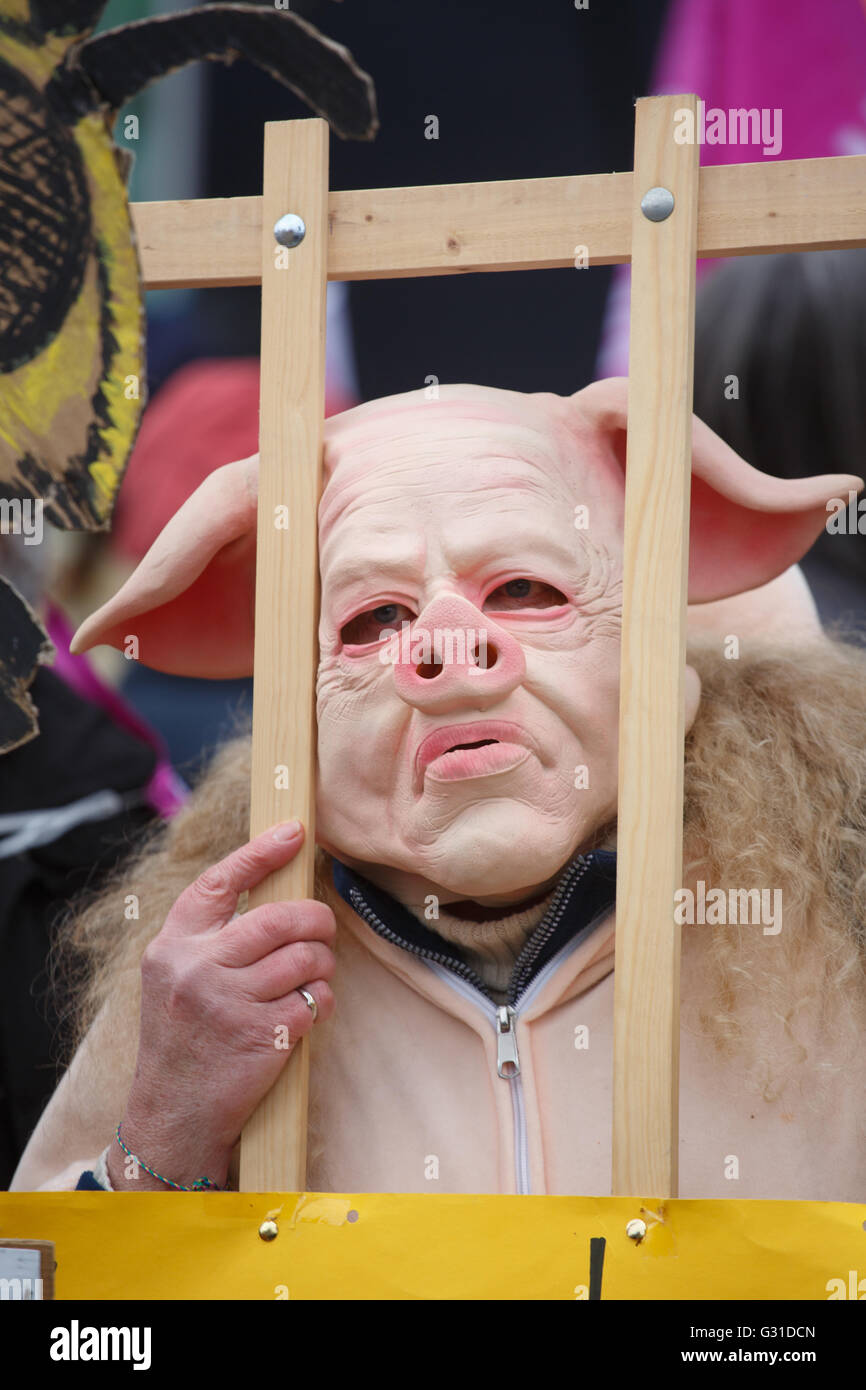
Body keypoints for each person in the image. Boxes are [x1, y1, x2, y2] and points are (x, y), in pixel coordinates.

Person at [10, 378, 866, 1199]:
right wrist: (161, 1137)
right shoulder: (221, 979)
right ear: (296, 687)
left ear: (649, 622)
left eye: (526, 590)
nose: (448, 654)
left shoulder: (837, 905)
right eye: (375, 618)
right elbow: (58, 1316)